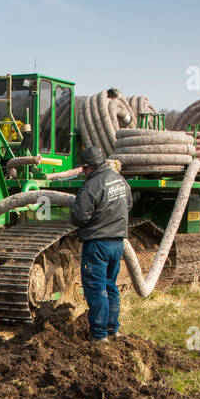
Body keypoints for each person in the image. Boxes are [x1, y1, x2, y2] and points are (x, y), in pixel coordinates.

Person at [70, 144, 133, 348]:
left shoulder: (92, 185)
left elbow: (80, 216)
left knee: (96, 289)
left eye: (84, 169)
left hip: (97, 244)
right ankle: (112, 329)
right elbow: (128, 204)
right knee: (110, 285)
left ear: (88, 167)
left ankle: (99, 335)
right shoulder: (121, 181)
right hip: (117, 243)